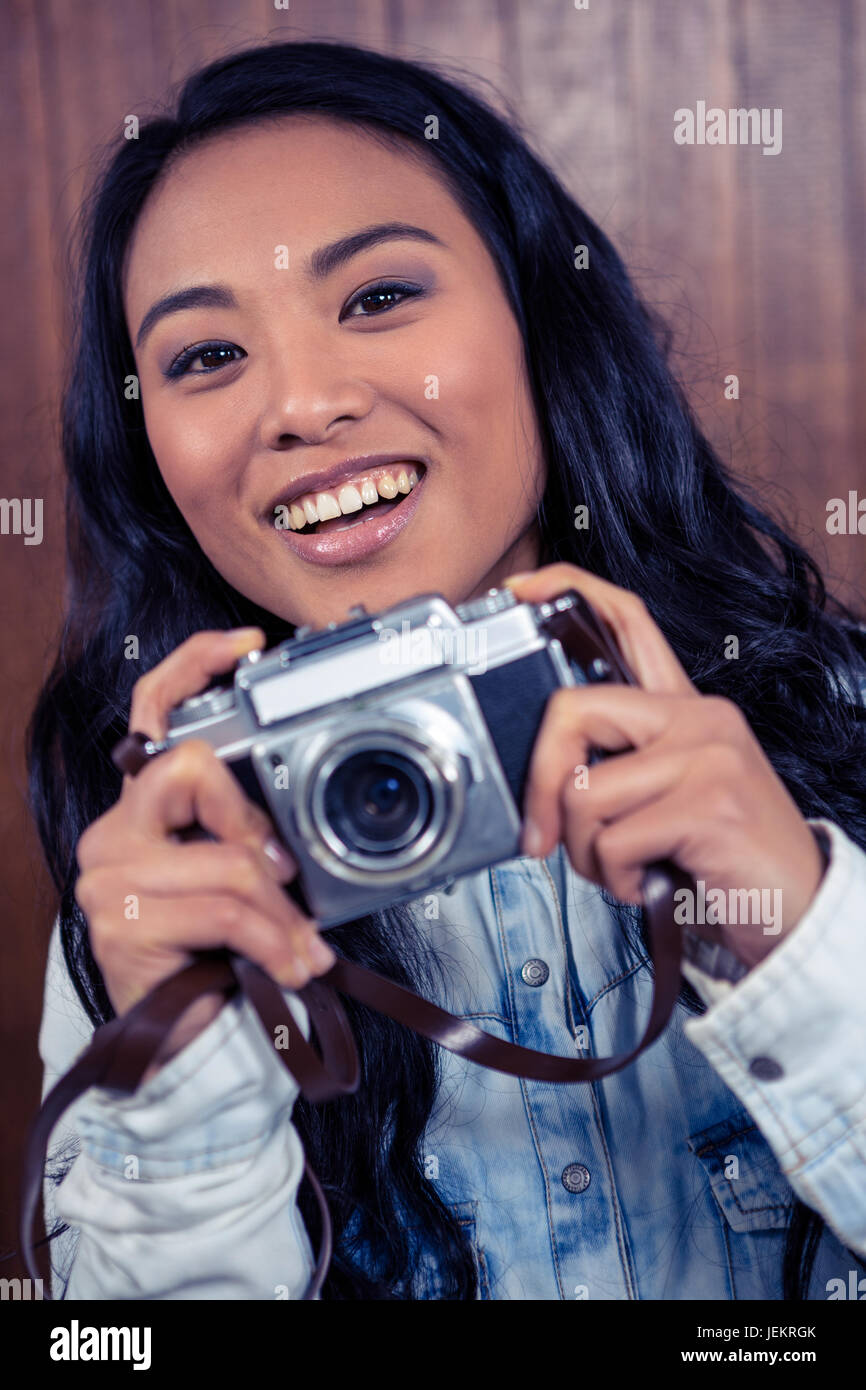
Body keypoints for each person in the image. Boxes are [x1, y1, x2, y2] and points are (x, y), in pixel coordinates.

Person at [28, 38, 866, 1301]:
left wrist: (801, 931)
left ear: (538, 319)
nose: (301, 405)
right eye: (205, 357)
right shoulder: (163, 875)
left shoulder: (834, 721)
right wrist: (183, 1080)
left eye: (375, 298)